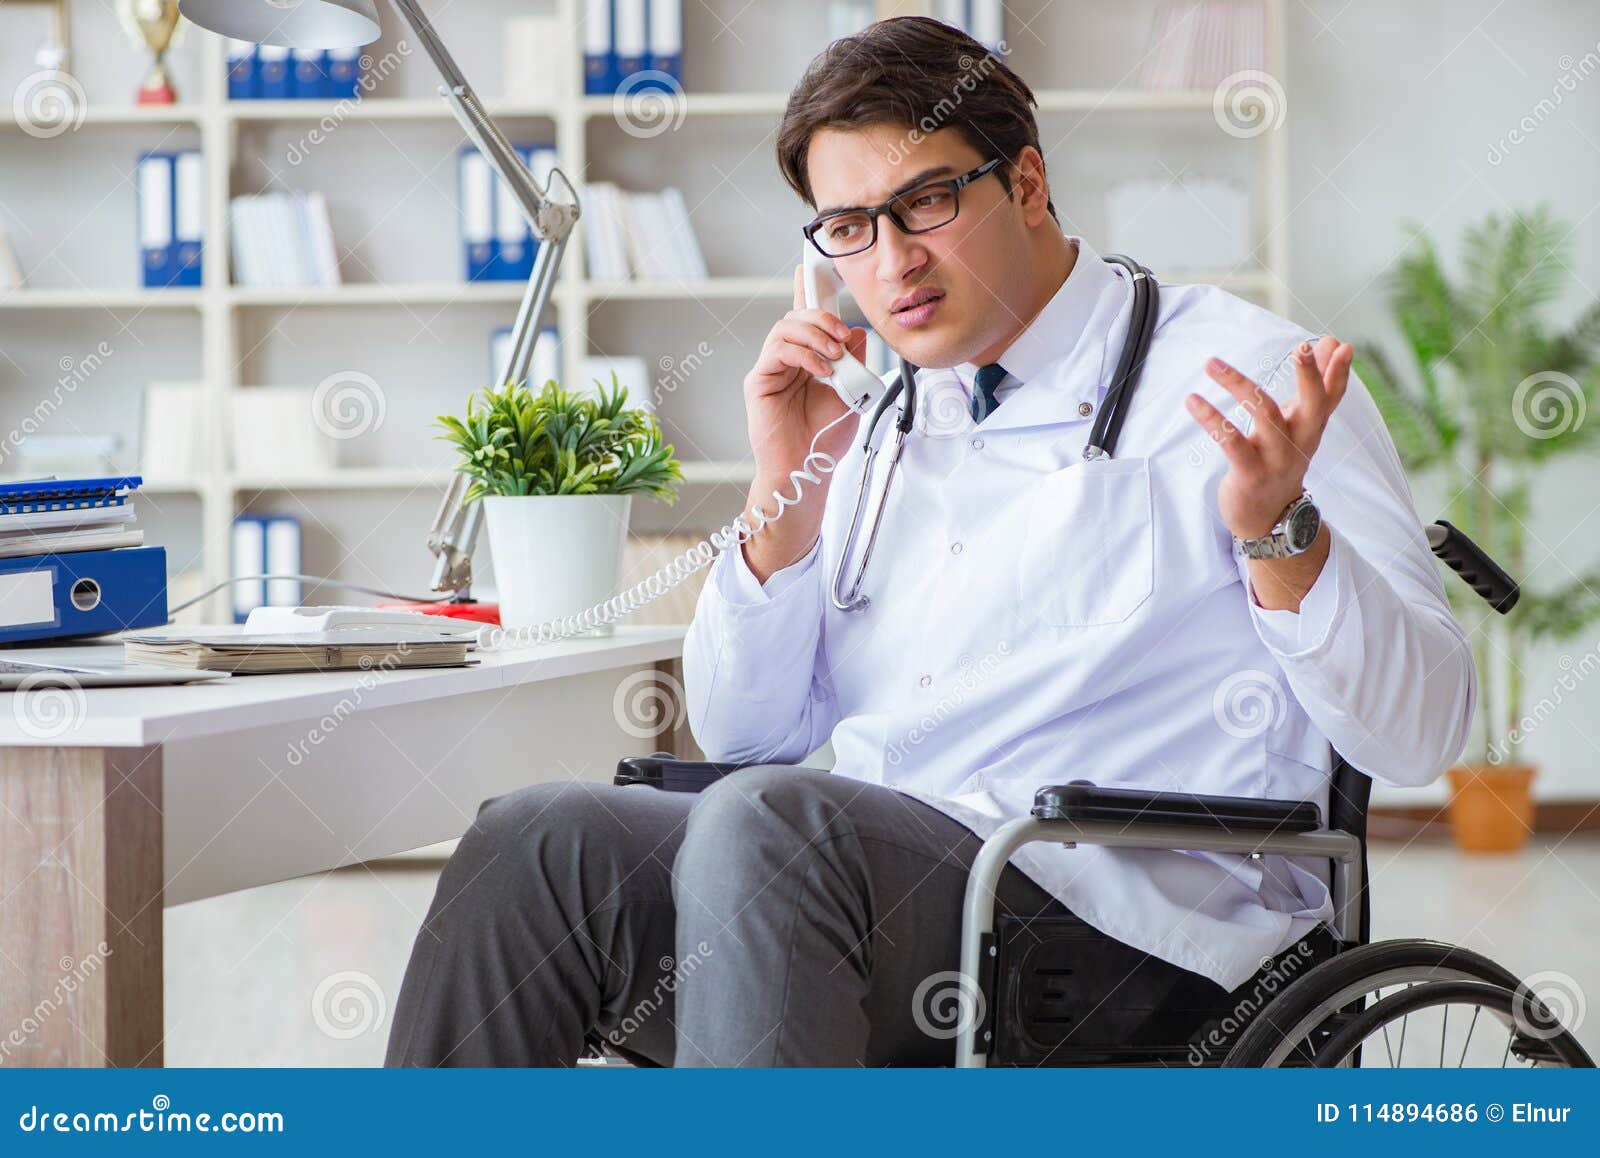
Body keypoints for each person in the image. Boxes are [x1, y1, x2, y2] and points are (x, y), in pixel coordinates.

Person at [386, 16, 1474, 1067]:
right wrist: (786, 497)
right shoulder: (873, 418)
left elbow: (1421, 729)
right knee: (533, 843)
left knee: (775, 829)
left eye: (927, 203)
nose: (891, 260)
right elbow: (744, 734)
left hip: (1133, 920)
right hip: (858, 882)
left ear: (1029, 185)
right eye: (849, 227)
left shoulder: (1248, 380)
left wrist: (1280, 534)